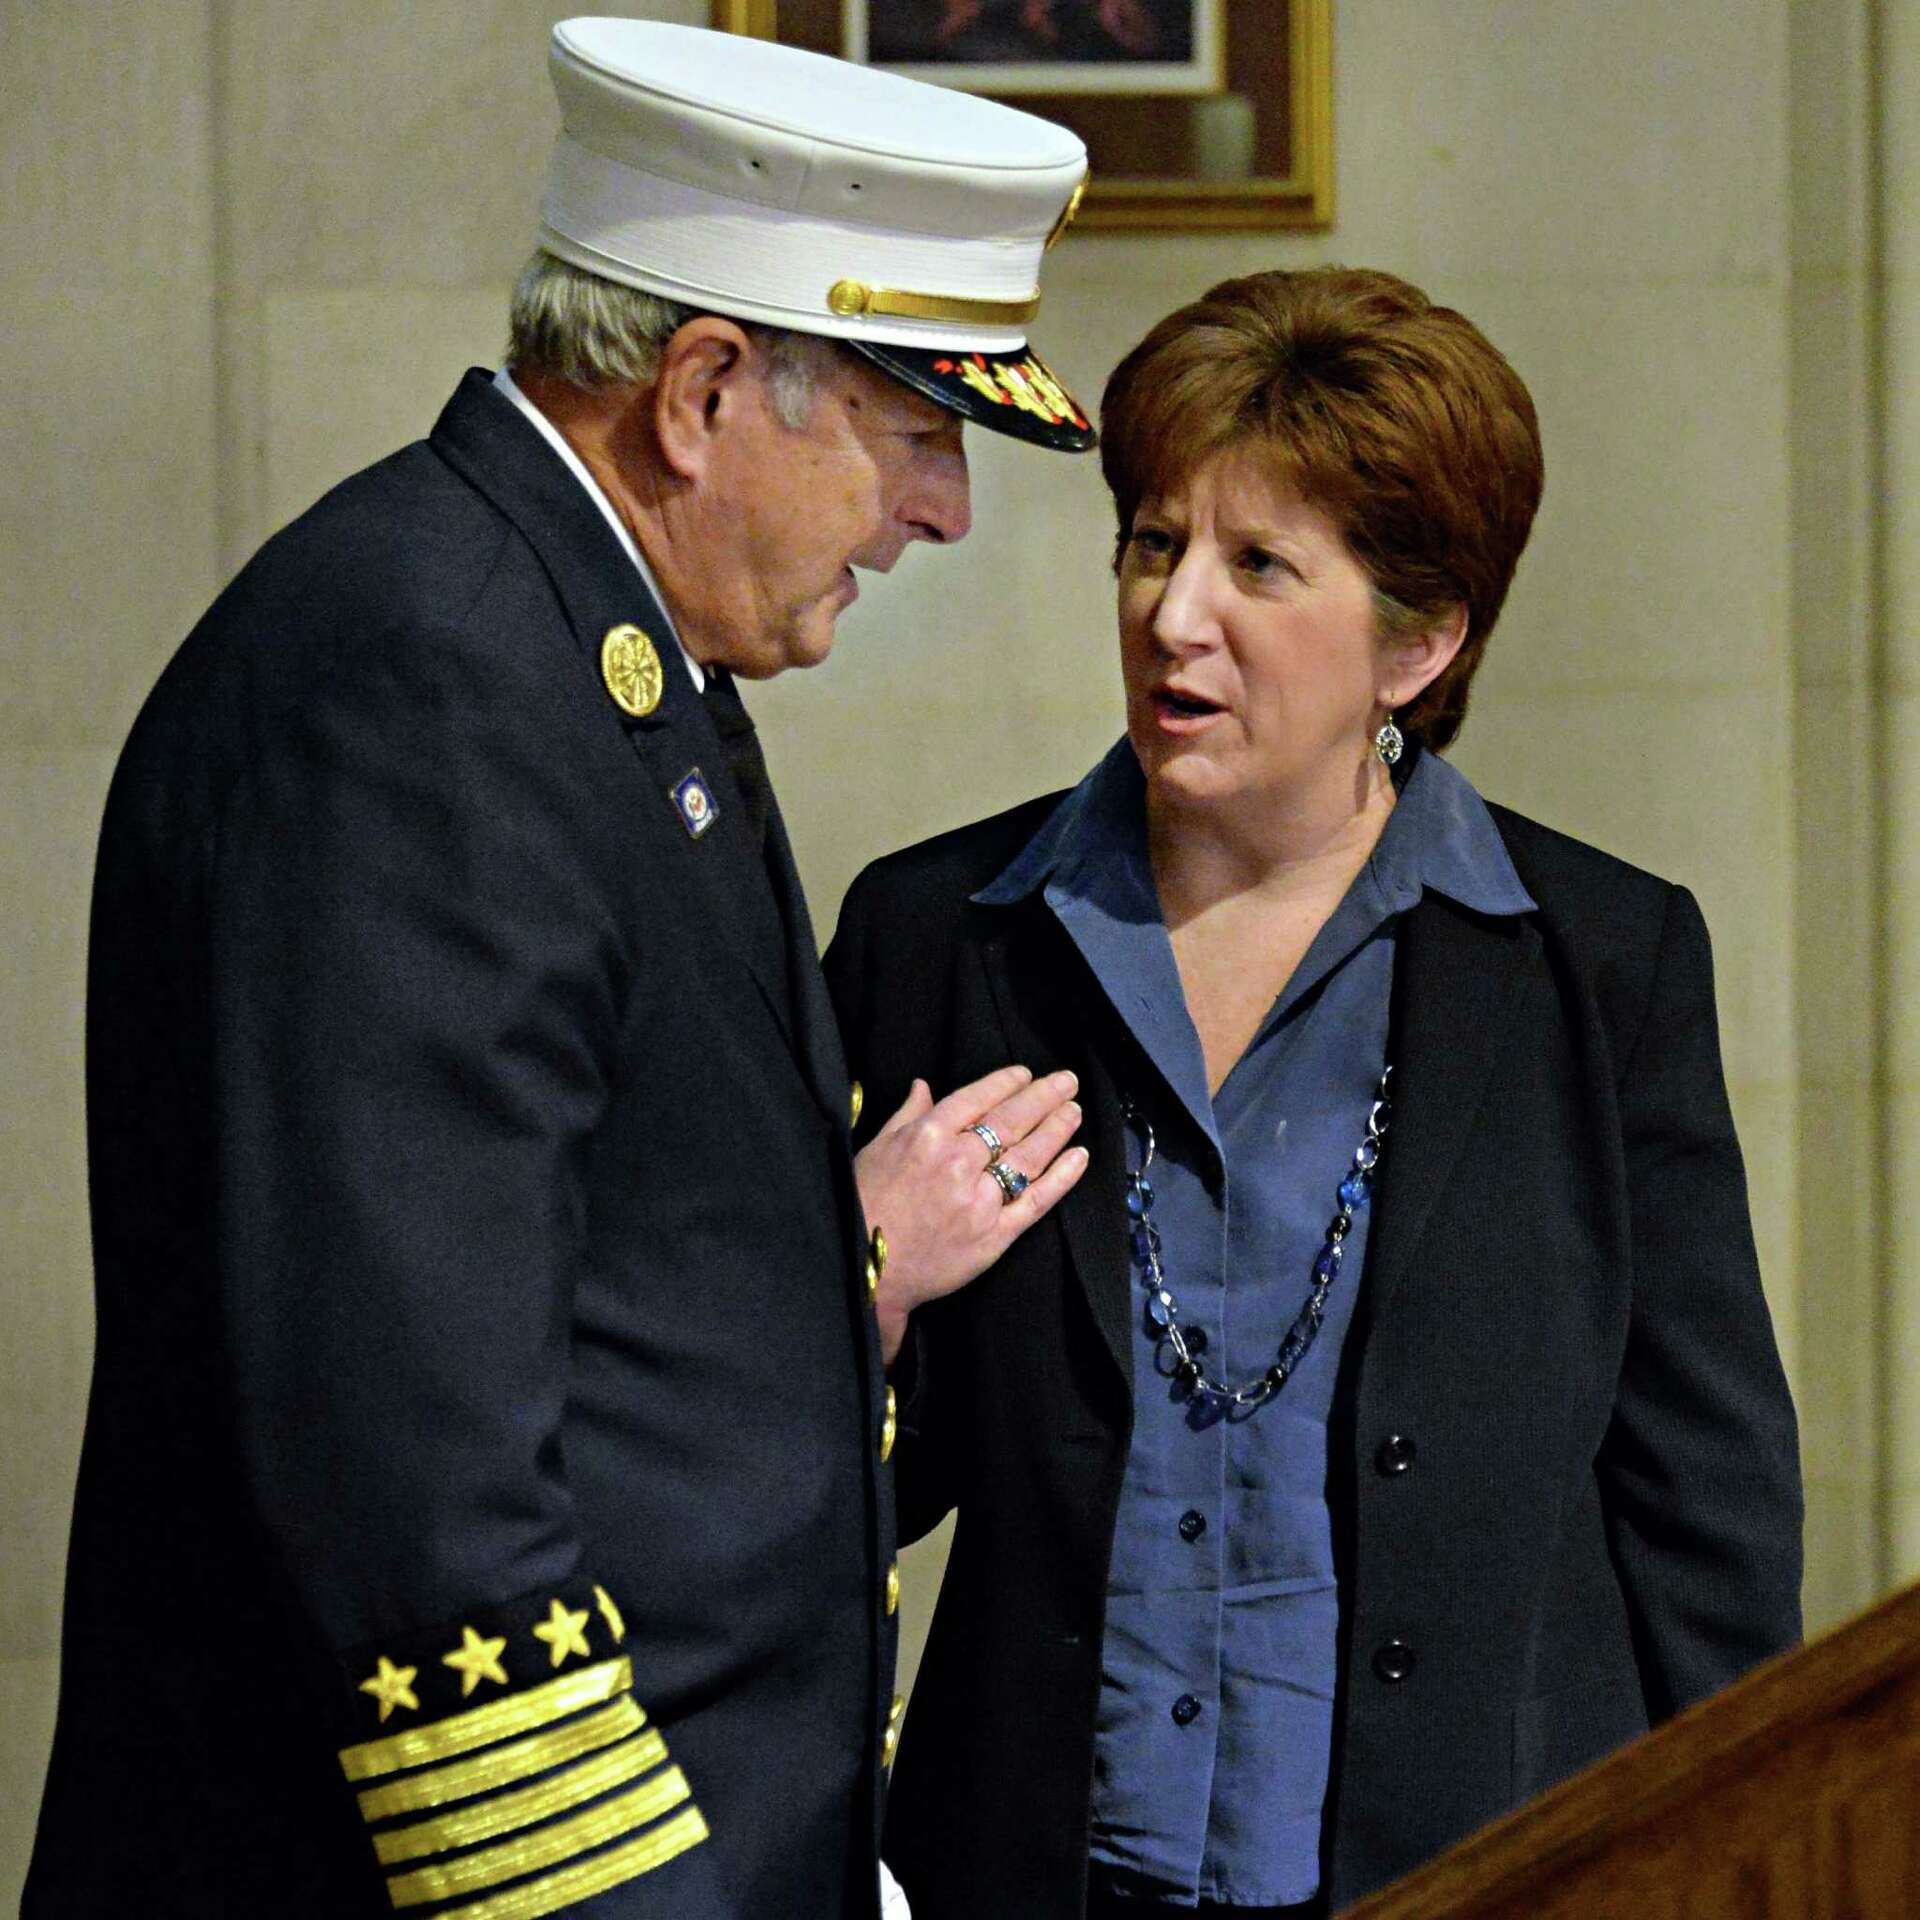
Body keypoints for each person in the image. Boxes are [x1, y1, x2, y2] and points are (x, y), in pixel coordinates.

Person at [25, 20, 1095, 1919]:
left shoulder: (585, 644)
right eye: (918, 432)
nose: (942, 509)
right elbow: (416, 1474)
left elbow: (586, 1274)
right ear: (703, 391)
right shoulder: (429, 684)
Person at [824, 266, 1804, 1918]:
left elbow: (1704, 1513)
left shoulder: (1603, 965)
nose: (1172, 616)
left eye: (1258, 566)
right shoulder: (940, 936)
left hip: (1482, 1876)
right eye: (1152, 544)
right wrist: (862, 1289)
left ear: (1418, 642)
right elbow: (826, 1481)